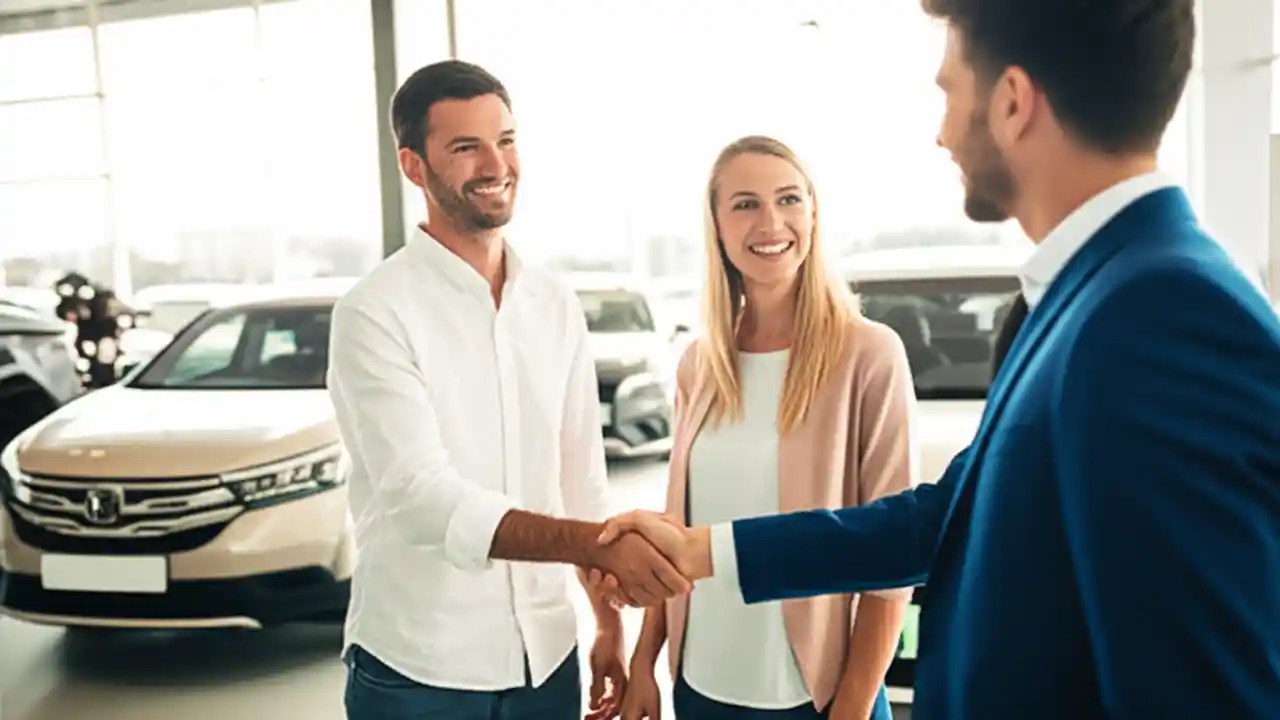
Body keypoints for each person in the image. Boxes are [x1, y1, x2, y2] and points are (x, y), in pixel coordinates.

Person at [600, 1, 1280, 718]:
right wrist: (703, 551)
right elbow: (943, 520)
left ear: (1012, 103)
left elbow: (1214, 688)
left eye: (950, 91)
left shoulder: (1166, 312)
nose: (942, 132)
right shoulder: (1090, 293)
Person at [327, 60, 689, 720]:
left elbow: (583, 481)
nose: (496, 164)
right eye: (466, 147)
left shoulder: (554, 304)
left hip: (545, 662)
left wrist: (607, 629)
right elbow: (421, 499)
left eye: (507, 140)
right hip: (418, 671)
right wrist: (589, 544)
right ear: (414, 167)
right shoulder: (373, 312)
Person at [618, 137, 917, 720]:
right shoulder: (700, 364)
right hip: (702, 687)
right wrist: (643, 664)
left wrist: (853, 705)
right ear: (718, 228)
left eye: (788, 199)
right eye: (746, 204)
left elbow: (895, 552)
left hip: (819, 696)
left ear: (812, 213)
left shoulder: (869, 355)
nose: (771, 222)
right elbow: (677, 530)